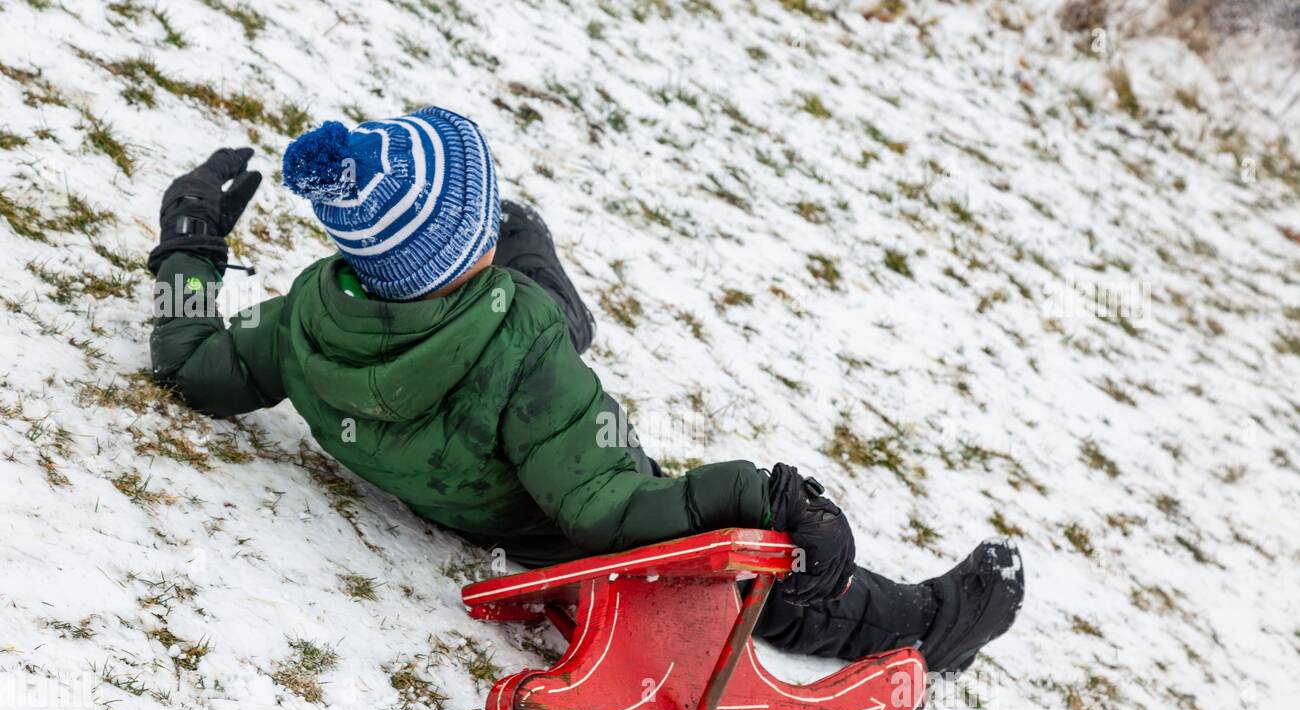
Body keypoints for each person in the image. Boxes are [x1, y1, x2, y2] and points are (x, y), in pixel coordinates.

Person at [147, 106, 1024, 675]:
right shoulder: (531, 348)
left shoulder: (305, 317)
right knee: (733, 570)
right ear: (464, 259)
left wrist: (188, 241)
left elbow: (191, 364)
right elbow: (612, 507)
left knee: (532, 264)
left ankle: (514, 241)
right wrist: (766, 498)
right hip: (547, 505)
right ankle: (930, 623)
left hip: (460, 409)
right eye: (476, 219)